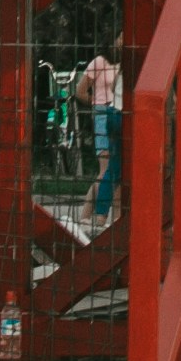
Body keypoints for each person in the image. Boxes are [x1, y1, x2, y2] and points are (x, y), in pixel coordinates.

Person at [77, 43, 124, 229]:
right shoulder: (99, 61)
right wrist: (97, 105)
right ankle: (87, 215)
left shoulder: (124, 63)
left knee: (117, 171)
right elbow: (80, 91)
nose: (121, 42)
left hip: (118, 110)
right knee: (106, 169)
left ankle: (117, 218)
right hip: (105, 112)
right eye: (119, 38)